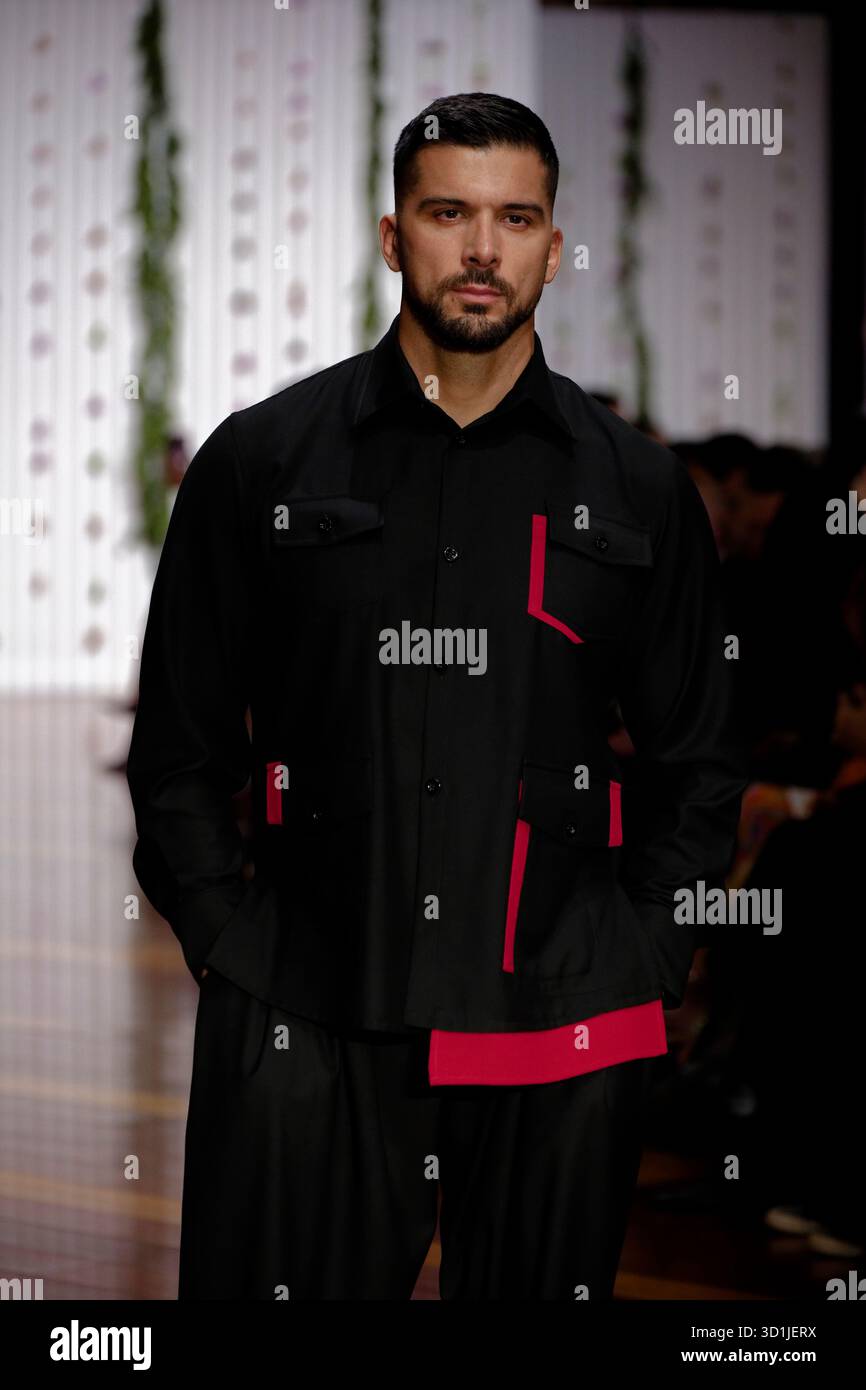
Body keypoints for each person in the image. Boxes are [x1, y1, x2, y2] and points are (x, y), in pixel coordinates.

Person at [125, 91, 746, 1301]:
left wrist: (646, 949)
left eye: (514, 217)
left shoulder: (636, 487)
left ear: (554, 247)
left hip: (562, 1016)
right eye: (447, 212)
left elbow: (700, 757)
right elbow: (180, 743)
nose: (480, 248)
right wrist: (232, 940)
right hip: (312, 1003)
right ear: (390, 235)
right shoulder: (262, 460)